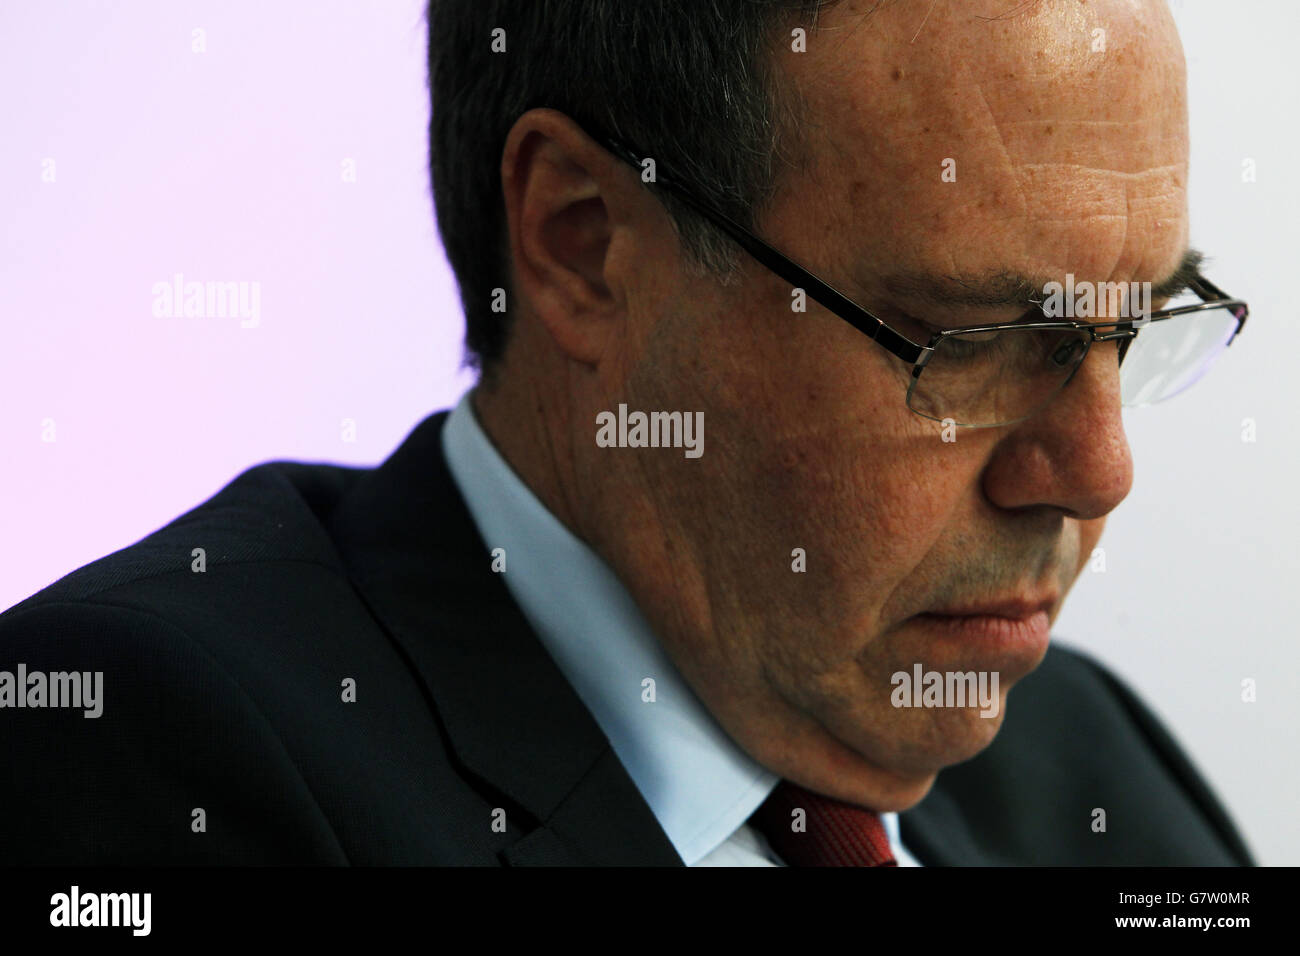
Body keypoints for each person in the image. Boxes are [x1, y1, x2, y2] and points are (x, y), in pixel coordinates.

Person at [0, 0, 1253, 865]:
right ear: (580, 242)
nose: (1098, 472)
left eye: (1133, 325)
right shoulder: (144, 748)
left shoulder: (1090, 766)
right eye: (973, 340)